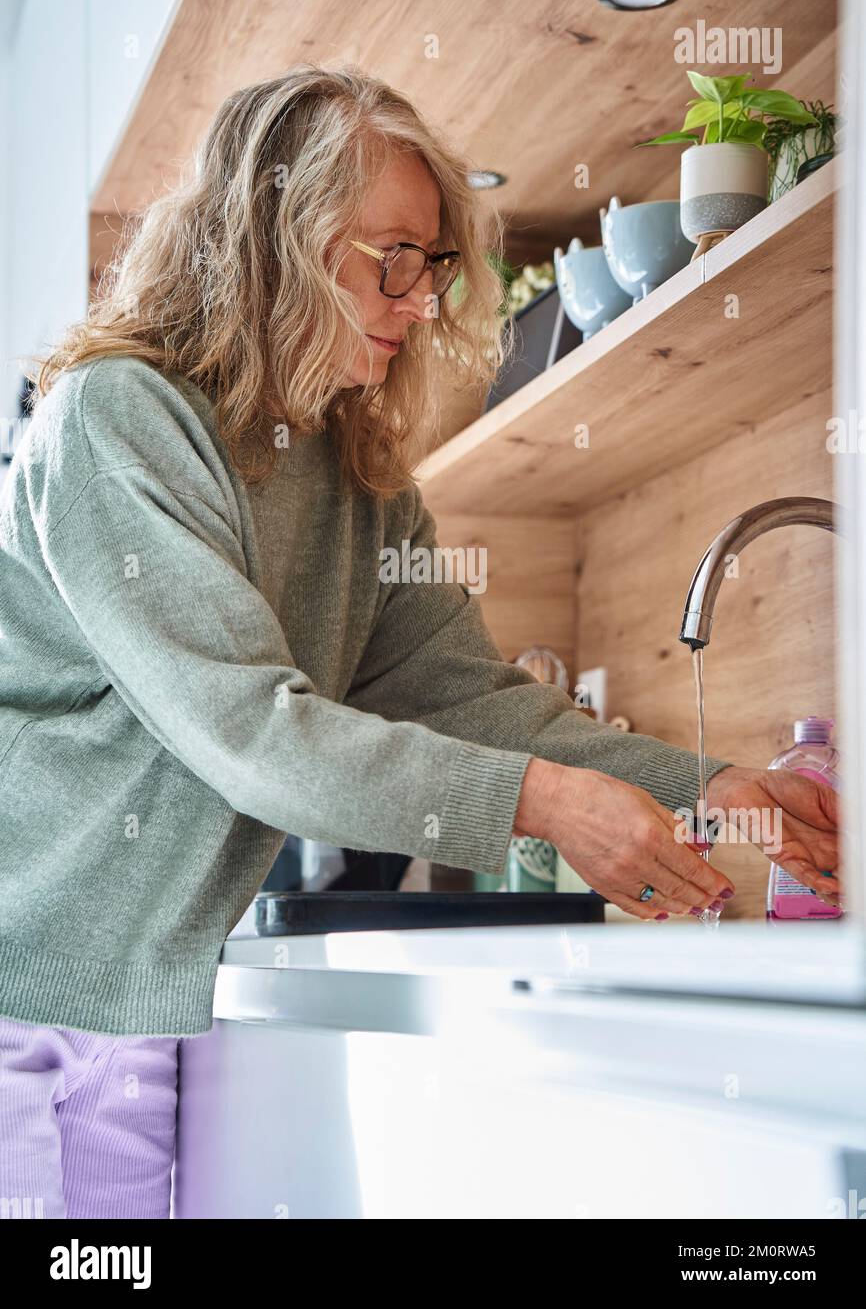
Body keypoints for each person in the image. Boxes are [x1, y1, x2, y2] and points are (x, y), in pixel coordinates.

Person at [0, 65, 840, 1219]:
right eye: (390, 255)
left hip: (148, 995)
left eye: (433, 263)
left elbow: (471, 698)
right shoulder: (115, 421)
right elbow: (250, 731)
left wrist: (711, 785)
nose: (419, 297)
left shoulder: (356, 483)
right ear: (275, 237)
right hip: (23, 984)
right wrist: (542, 804)